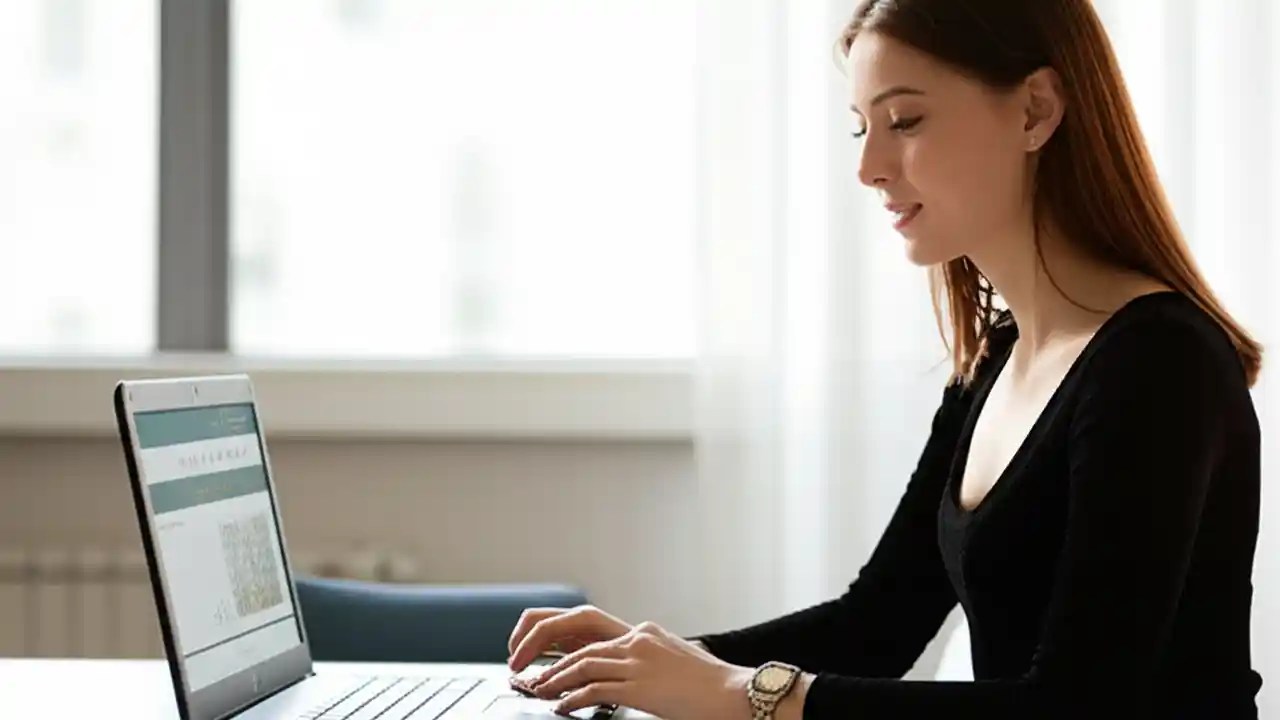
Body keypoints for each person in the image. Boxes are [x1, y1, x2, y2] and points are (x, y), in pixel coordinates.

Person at [504, 0, 1265, 717]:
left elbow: (1073, 705)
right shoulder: (997, 361)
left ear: (1036, 109)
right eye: (859, 127)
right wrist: (654, 661)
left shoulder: (1161, 365)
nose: (869, 167)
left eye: (905, 119)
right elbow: (878, 625)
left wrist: (744, 696)